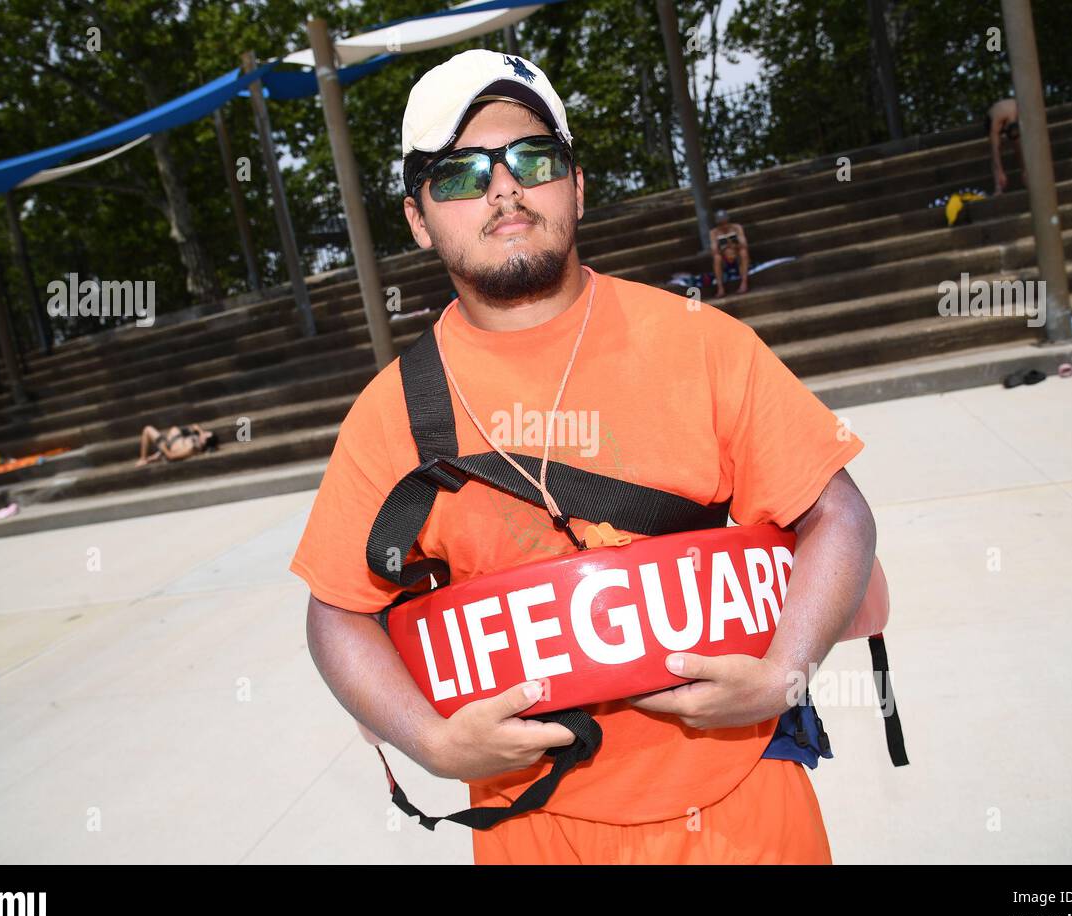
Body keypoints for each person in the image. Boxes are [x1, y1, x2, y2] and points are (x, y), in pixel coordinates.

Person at [289, 49, 877, 864]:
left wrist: (784, 674)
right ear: (419, 218)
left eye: (532, 159)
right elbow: (336, 610)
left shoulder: (701, 342)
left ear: (576, 184)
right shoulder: (390, 413)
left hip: (743, 804)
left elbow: (836, 512)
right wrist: (430, 741)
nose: (503, 189)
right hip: (533, 826)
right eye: (460, 175)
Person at [135, 422, 218, 466]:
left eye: (206, 434)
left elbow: (171, 456)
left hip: (166, 448)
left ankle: (146, 458)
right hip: (168, 442)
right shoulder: (195, 436)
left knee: (148, 429)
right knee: (147, 428)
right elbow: (195, 426)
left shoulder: (192, 448)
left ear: (206, 441)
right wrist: (201, 432)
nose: (203, 433)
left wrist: (163, 448)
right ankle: (145, 458)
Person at [710, 209, 750, 297]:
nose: (724, 225)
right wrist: (724, 248)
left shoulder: (737, 227)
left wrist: (734, 246)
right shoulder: (714, 232)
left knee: (743, 252)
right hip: (724, 257)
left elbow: (744, 244)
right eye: (721, 223)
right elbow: (714, 250)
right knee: (717, 258)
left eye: (725, 222)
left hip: (736, 254)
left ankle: (744, 283)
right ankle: (720, 288)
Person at [985, 97, 1021, 195]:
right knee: (995, 148)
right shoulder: (996, 123)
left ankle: (1026, 175)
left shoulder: (1020, 114)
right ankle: (998, 187)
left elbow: (1020, 148)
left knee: (1019, 146)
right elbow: (995, 151)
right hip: (994, 114)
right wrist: (1000, 172)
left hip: (1012, 110)